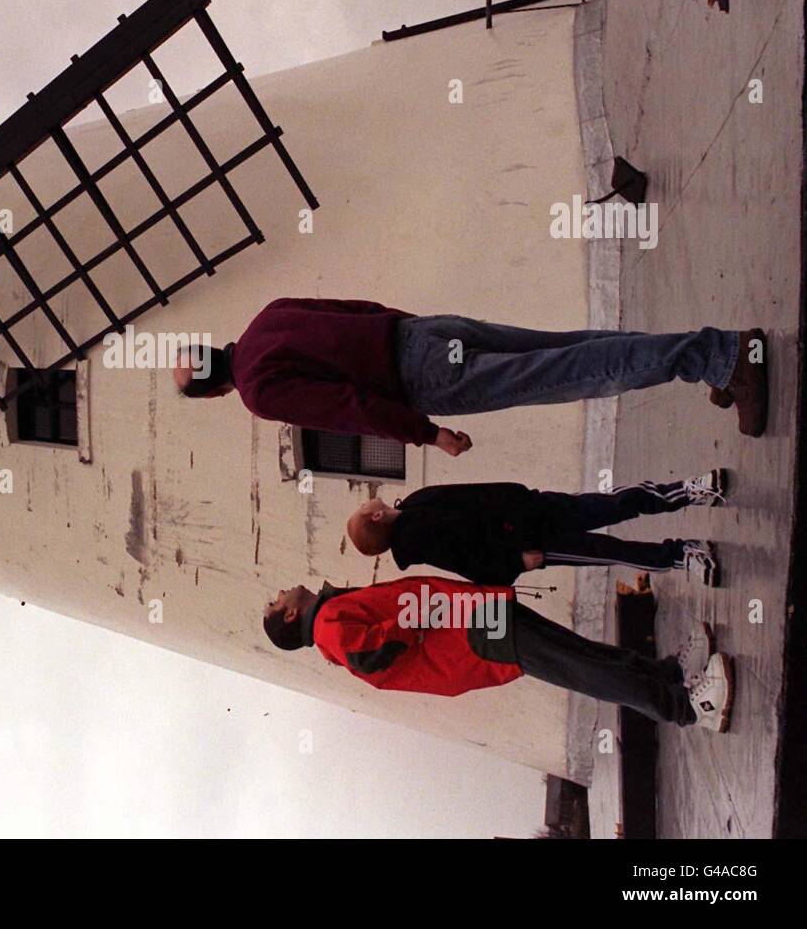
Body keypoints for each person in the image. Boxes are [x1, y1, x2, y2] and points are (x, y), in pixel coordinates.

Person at [172, 298, 769, 454]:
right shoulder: (267, 316)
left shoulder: (259, 392)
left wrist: (429, 434)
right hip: (423, 333)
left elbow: (348, 407)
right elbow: (359, 309)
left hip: (422, 378)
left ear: (214, 392)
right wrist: (415, 328)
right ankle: (711, 360)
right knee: (564, 348)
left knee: (569, 372)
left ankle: (721, 357)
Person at [262, 576, 734, 731]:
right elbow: (375, 653)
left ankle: (669, 673)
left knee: (581, 653)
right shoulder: (326, 627)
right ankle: (689, 708)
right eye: (276, 601)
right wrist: (422, 611)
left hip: (469, 620)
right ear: (290, 615)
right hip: (469, 638)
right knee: (580, 668)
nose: (281, 591)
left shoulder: (330, 614)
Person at [345, 470, 728, 586]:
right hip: (531, 541)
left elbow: (475, 491)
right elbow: (468, 560)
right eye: (365, 506)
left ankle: (684, 492)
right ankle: (681, 556)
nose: (369, 500)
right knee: (606, 550)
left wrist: (519, 493)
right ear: (375, 517)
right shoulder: (417, 538)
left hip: (533, 507)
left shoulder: (414, 503)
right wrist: (516, 563)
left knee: (608, 505)